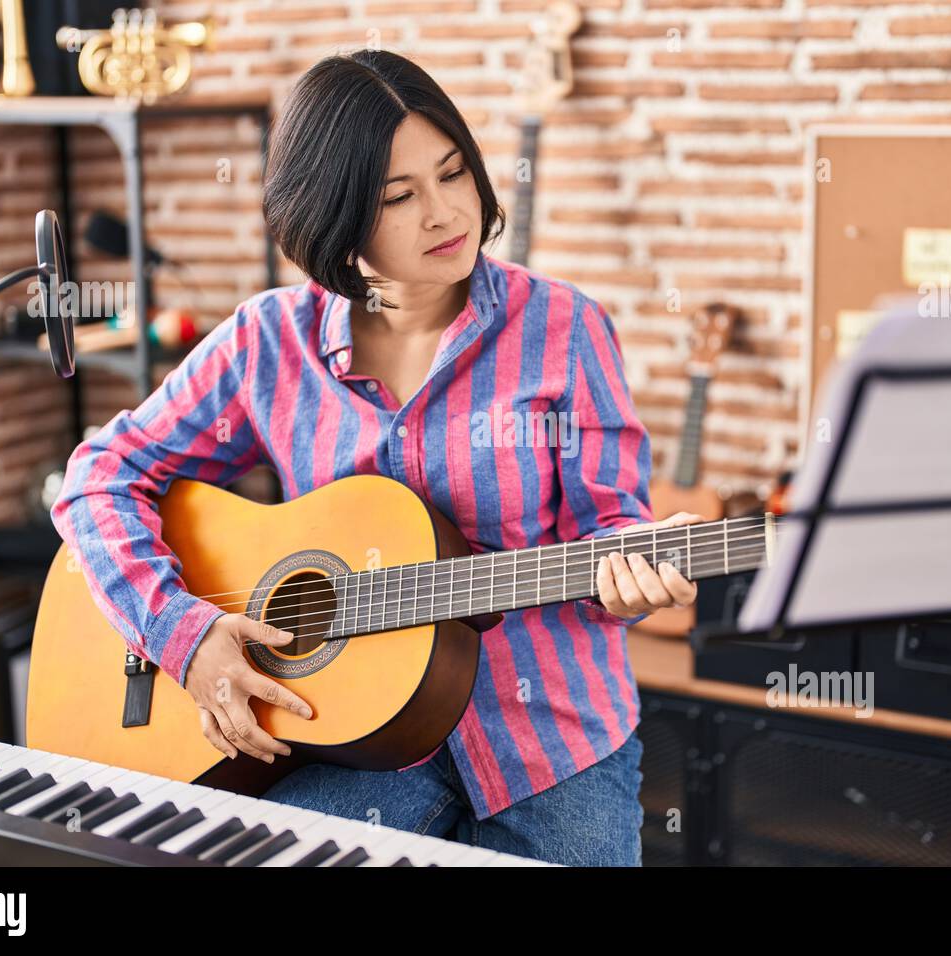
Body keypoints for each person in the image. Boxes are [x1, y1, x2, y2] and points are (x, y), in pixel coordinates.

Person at [50, 49, 703, 867]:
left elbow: (613, 527)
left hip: (550, 744)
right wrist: (184, 634)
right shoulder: (268, 344)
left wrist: (634, 576)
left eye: (454, 172)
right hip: (348, 738)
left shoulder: (566, 330)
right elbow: (100, 476)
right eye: (399, 196)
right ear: (334, 218)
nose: (444, 213)